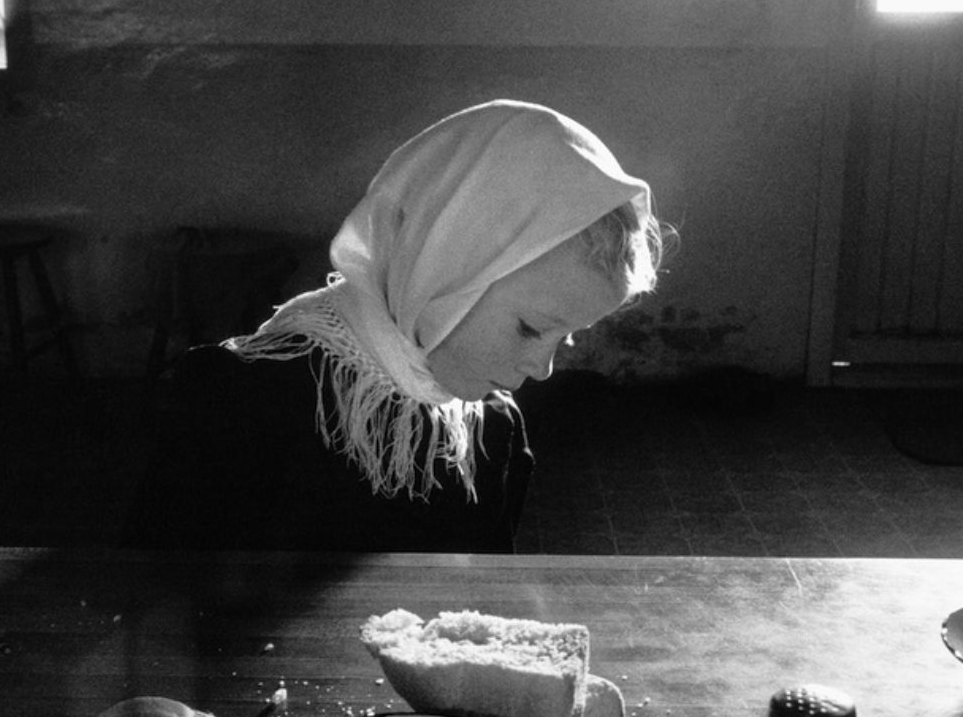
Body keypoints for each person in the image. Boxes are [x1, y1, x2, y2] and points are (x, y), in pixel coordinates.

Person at [123, 99, 669, 553]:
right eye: (531, 328)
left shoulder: (493, 433)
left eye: (566, 337)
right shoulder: (238, 397)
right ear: (443, 269)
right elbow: (144, 603)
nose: (543, 369)